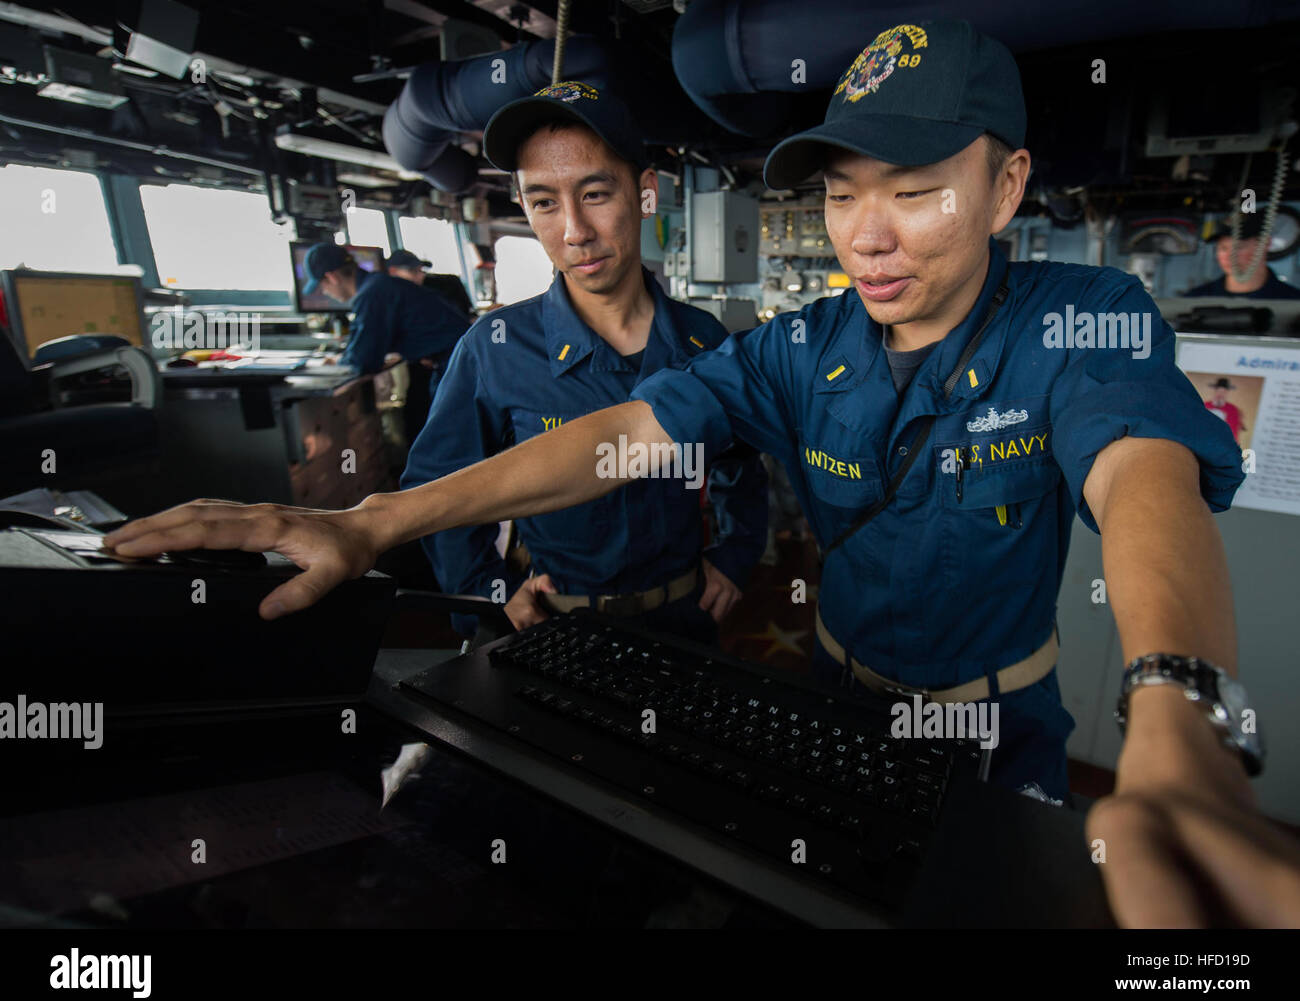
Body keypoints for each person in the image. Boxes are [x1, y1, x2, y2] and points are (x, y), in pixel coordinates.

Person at [105, 21, 1300, 928]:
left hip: (999, 731)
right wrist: (381, 519)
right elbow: (622, 433)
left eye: (919, 192)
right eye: (841, 197)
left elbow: (1141, 472)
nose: (867, 236)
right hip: (833, 706)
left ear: (1005, 185)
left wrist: (1177, 704)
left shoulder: (1080, 317)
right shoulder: (793, 349)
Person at [400, 82, 768, 642]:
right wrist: (487, 587)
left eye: (595, 194)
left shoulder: (704, 339)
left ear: (645, 193)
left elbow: (739, 462)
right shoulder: (494, 347)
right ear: (523, 205)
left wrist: (737, 552)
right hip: (549, 624)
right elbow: (433, 485)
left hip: (679, 620)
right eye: (545, 202)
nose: (574, 232)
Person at [302, 242, 473, 441]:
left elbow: (363, 361)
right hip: (457, 361)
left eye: (322, 286)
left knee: (444, 443)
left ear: (331, 277)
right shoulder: (379, 285)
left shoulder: (372, 294)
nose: (324, 292)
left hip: (456, 367)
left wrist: (338, 362)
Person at [1183, 214, 1300, 299]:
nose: (1229, 257)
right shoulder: (1195, 299)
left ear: (1265, 244)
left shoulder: (1293, 300)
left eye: (1239, 247)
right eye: (1223, 248)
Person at [386, 249, 476, 318]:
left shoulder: (432, 295)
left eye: (421, 271)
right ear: (393, 271)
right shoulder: (389, 304)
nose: (421, 276)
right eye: (413, 271)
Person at [1204, 377, 1246, 443]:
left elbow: (1233, 431)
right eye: (1219, 391)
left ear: (1226, 393)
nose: (1220, 394)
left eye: (1223, 392)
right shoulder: (1204, 405)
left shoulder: (1233, 409)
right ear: (1215, 391)